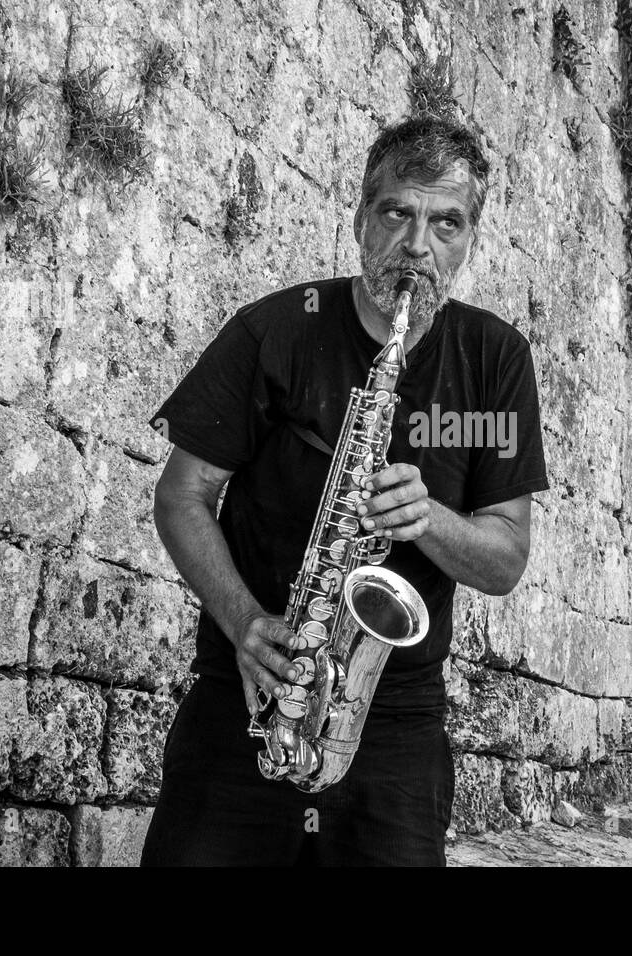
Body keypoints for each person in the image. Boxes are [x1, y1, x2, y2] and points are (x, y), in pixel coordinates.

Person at [139, 113, 550, 866]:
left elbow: (504, 559)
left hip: (393, 729)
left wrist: (428, 519)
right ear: (362, 217)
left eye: (446, 223)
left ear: (469, 240)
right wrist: (242, 621)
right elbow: (181, 496)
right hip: (250, 699)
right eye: (398, 212)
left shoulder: (495, 359)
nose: (418, 246)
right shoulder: (274, 331)